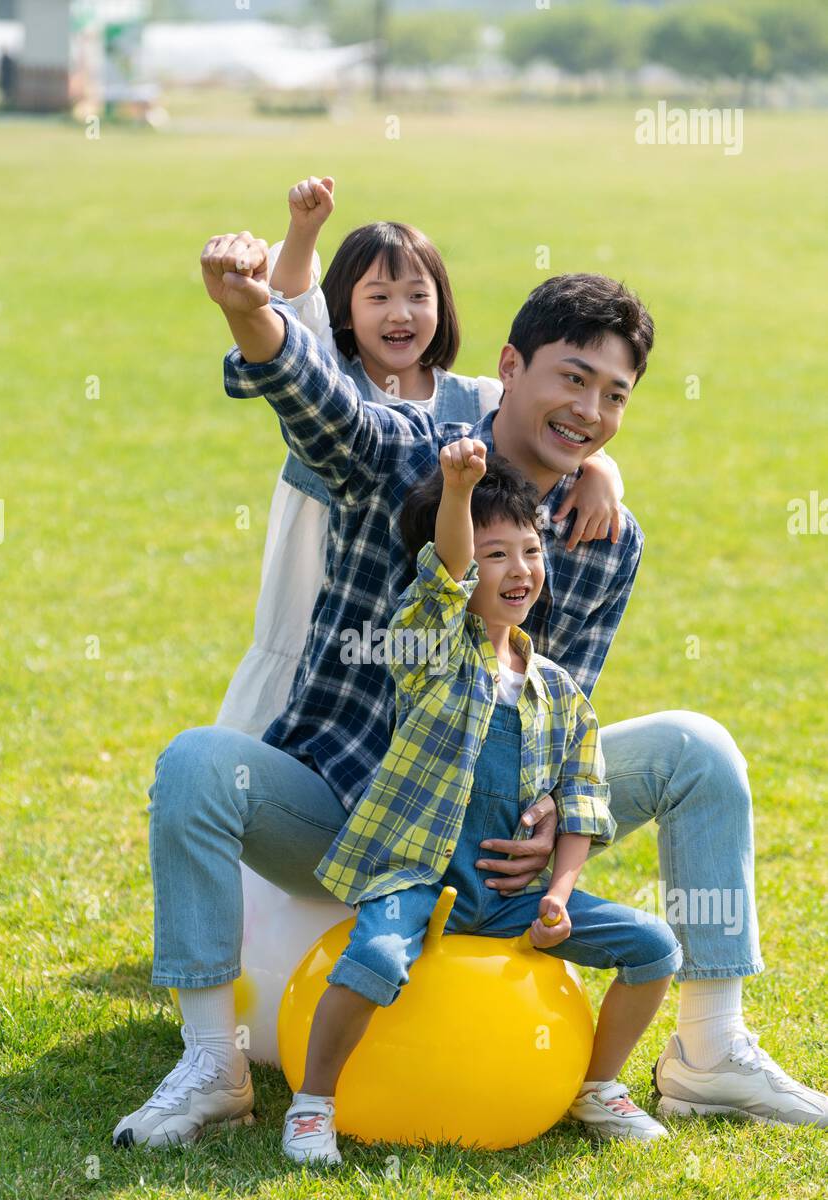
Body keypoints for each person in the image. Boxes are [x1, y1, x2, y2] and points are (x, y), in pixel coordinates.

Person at [111, 232, 827, 1151]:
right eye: (572, 379)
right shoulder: (406, 453)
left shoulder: (602, 533)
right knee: (198, 765)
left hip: (486, 847)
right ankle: (212, 1064)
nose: (590, 411)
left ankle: (710, 1050)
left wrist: (545, 815)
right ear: (508, 368)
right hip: (344, 812)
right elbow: (315, 398)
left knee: (699, 749)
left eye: (614, 396)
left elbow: (563, 704)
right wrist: (248, 310)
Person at [283, 441, 683, 1164]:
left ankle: (594, 1087)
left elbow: (582, 802)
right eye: (493, 556)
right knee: (373, 955)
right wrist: (458, 489)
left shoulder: (560, 694)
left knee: (653, 947)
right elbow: (442, 578)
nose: (518, 569)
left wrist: (558, 896)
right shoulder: (431, 651)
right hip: (416, 877)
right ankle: (313, 1102)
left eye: (529, 551)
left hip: (505, 894)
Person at [217, 175, 624, 739]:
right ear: (346, 308)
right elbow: (292, 328)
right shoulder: (339, 374)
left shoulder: (468, 395)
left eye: (417, 296)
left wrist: (601, 471)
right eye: (378, 297)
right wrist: (302, 233)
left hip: (413, 582)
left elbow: (543, 431)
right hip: (324, 565)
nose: (399, 313)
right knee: (292, 672)